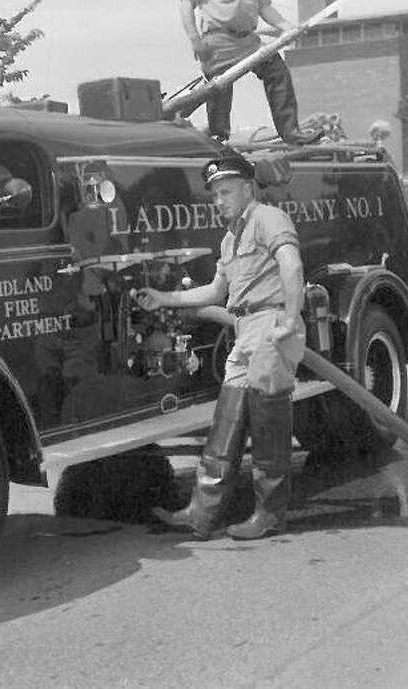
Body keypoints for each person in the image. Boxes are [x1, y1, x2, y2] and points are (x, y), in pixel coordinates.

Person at [134, 154, 305, 539]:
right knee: (226, 420)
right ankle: (202, 514)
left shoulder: (268, 218)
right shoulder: (231, 238)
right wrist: (165, 298)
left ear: (248, 188)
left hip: (271, 323)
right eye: (214, 194)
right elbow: (215, 292)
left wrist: (291, 321)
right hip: (246, 329)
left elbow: (292, 267)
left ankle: (270, 515)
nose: (219, 200)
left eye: (226, 191)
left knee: (267, 424)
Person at [180, 0, 313, 144]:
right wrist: (195, 39)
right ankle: (218, 137)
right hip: (217, 42)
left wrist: (287, 27)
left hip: (248, 42)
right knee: (219, 92)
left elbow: (265, 7)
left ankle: (290, 131)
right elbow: (186, 4)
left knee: (276, 68)